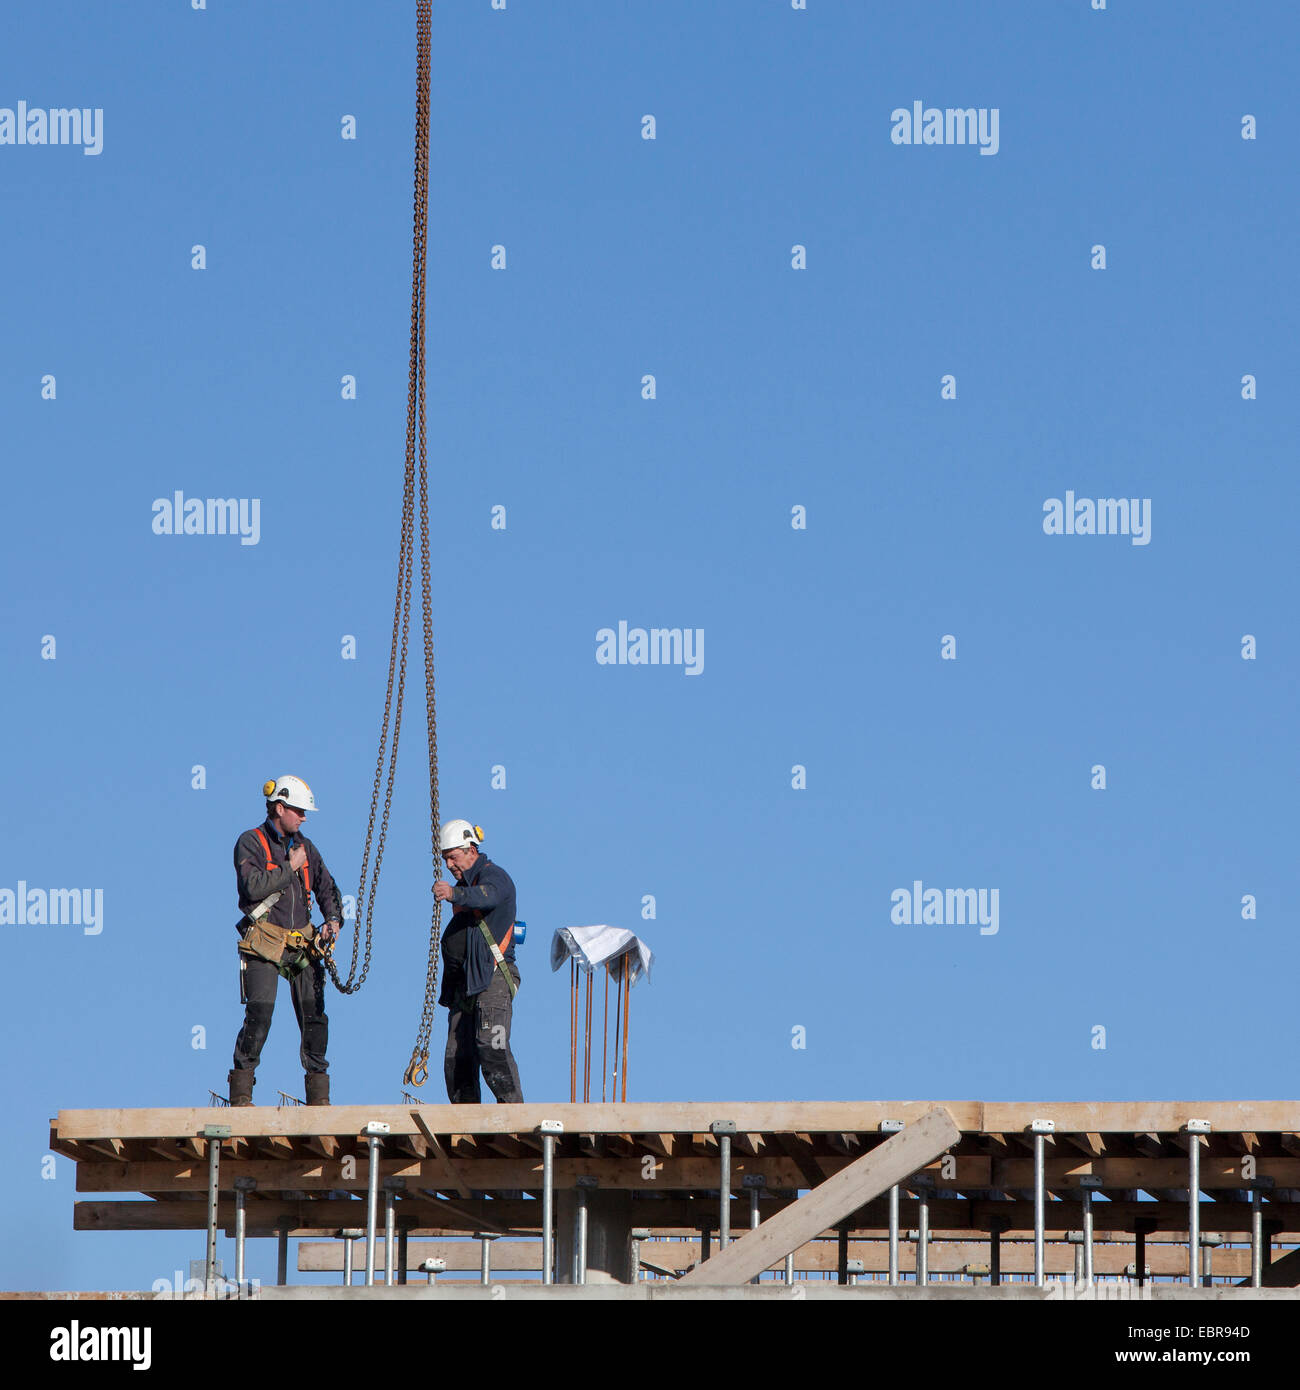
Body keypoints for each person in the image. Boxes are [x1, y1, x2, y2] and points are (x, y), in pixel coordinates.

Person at [228, 776, 342, 1107]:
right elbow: (251, 886)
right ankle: (241, 1093)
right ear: (280, 808)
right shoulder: (250, 842)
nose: (304, 818)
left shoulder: (307, 848)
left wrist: (333, 920)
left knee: (314, 1016)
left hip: (302, 943)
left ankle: (319, 1098)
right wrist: (288, 868)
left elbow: (327, 887)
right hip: (264, 939)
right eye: (299, 811)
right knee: (260, 1014)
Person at [434, 820, 524, 1103]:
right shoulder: (466, 885)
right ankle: (467, 1124)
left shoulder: (494, 877)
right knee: (457, 1057)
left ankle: (514, 1117)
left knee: (492, 1046)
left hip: (494, 977)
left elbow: (488, 896)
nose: (449, 864)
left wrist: (453, 893)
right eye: (445, 858)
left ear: (471, 850)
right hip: (466, 983)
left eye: (453, 856)